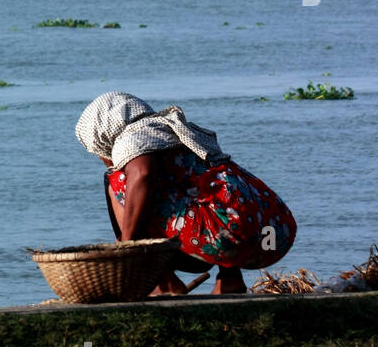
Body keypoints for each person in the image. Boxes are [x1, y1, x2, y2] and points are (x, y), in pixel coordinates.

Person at [75, 92, 296, 295]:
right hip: (272, 233)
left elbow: (142, 174)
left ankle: (164, 282)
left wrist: (126, 251)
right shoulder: (175, 129)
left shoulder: (132, 137)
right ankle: (230, 277)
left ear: (102, 135)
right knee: (205, 190)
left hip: (228, 238)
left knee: (118, 181)